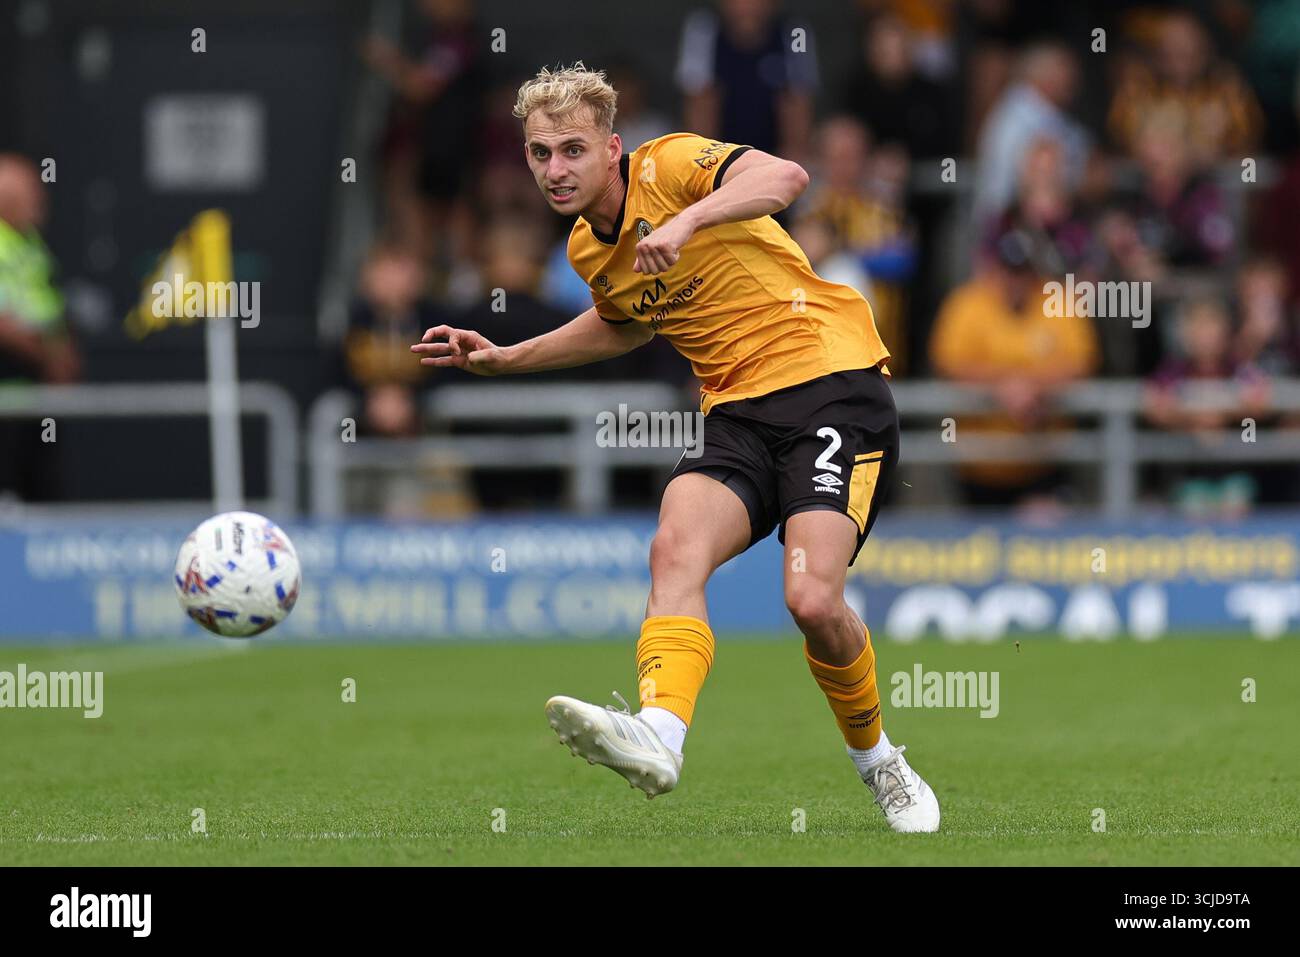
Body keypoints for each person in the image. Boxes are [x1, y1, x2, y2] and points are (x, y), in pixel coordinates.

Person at [411, 64, 939, 832]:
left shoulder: (669, 166)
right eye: (539, 153)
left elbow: (786, 174)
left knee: (813, 601)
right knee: (673, 550)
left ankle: (880, 760)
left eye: (572, 150)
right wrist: (507, 356)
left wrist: (691, 221)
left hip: (829, 380)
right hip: (735, 414)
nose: (555, 169)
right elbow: (624, 320)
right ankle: (660, 735)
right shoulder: (588, 254)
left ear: (613, 148)